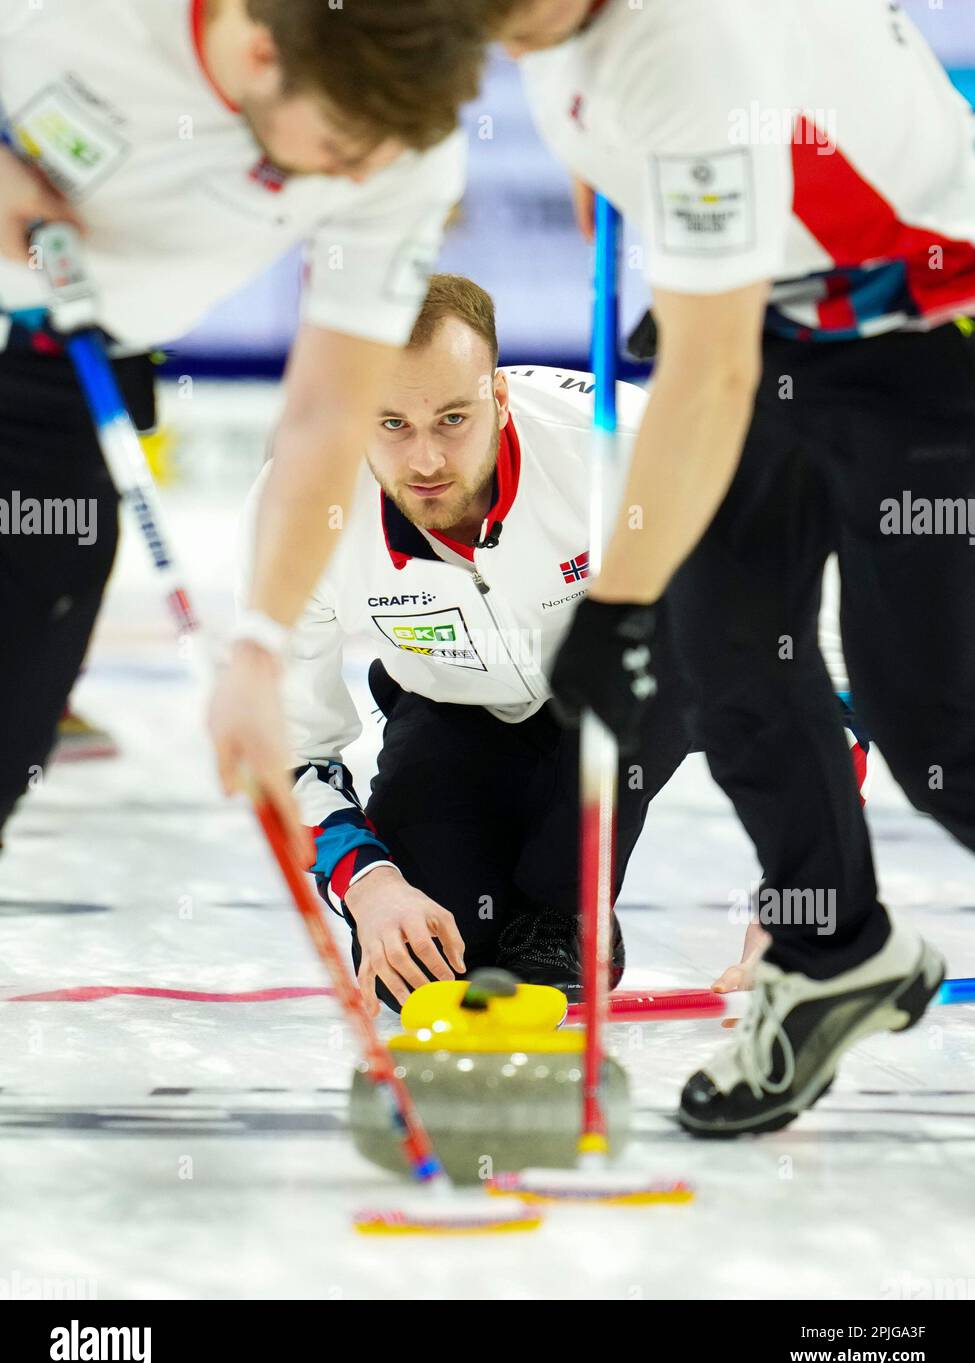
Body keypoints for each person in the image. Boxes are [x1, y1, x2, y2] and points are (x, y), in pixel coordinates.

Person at [483, 0, 975, 1134]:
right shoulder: (541, 31)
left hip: (930, 321)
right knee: (727, 652)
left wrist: (615, 604)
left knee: (934, 719)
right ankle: (837, 953)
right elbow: (618, 164)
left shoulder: (690, 40)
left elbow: (704, 375)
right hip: (786, 322)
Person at [0, 0, 484, 854]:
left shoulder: (400, 144)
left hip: (60, 375)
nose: (354, 181)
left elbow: (327, 408)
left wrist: (261, 649)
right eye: (336, 152)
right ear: (260, 53)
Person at [238, 274, 692, 1014]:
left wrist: (798, 870)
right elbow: (288, 744)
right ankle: (522, 897)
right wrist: (370, 885)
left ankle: (566, 904)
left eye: (453, 418)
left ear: (500, 397)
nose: (425, 462)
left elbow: (794, 633)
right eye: (390, 424)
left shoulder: (622, 447)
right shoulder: (294, 511)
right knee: (418, 967)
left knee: (682, 635)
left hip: (618, 696)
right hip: (448, 707)